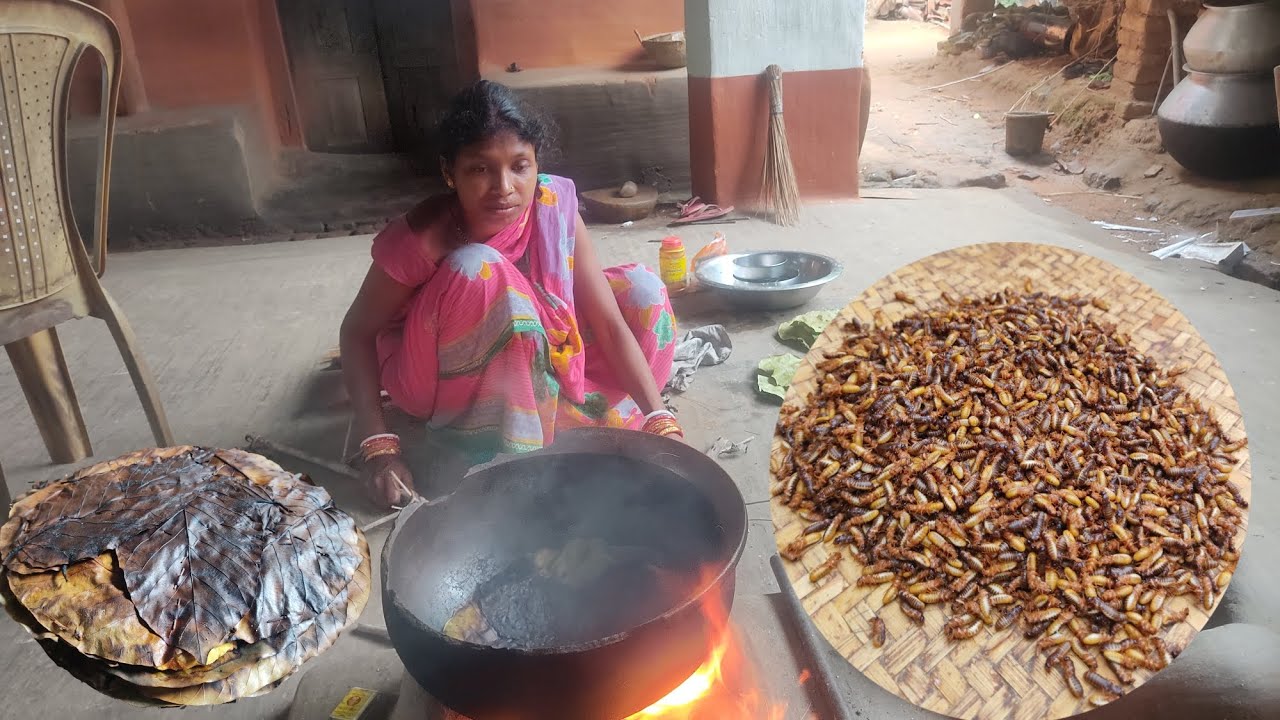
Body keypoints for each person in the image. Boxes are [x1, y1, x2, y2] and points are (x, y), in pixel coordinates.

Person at [340, 81, 681, 509]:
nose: (504, 186)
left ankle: (569, 412)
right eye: (480, 169)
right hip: (436, 371)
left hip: (535, 345)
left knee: (642, 290)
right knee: (480, 268)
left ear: (537, 164)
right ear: (451, 172)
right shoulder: (421, 238)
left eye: (520, 165)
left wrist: (659, 418)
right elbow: (356, 332)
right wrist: (380, 447)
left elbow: (608, 321)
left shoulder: (554, 203)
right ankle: (502, 446)